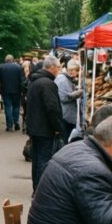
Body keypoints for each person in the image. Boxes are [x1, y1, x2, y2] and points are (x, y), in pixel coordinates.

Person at [26, 55, 63, 190]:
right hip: (44, 128)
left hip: (34, 126)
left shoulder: (35, 81)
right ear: (52, 67)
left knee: (37, 159)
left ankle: (36, 187)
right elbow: (52, 108)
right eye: (58, 67)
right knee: (43, 159)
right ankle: (41, 189)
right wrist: (58, 126)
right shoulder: (48, 84)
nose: (59, 70)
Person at [55, 59, 82, 141]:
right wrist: (79, 93)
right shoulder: (63, 80)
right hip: (65, 114)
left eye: (77, 70)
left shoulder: (66, 78)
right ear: (68, 70)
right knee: (66, 138)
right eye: (72, 70)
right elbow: (63, 97)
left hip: (66, 113)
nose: (75, 73)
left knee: (67, 137)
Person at [0, 55, 25, 132]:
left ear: (6, 60)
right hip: (17, 90)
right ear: (12, 60)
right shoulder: (19, 67)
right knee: (16, 106)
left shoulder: (1, 67)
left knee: (8, 107)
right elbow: (22, 80)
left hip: (5, 90)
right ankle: (16, 122)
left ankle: (9, 126)